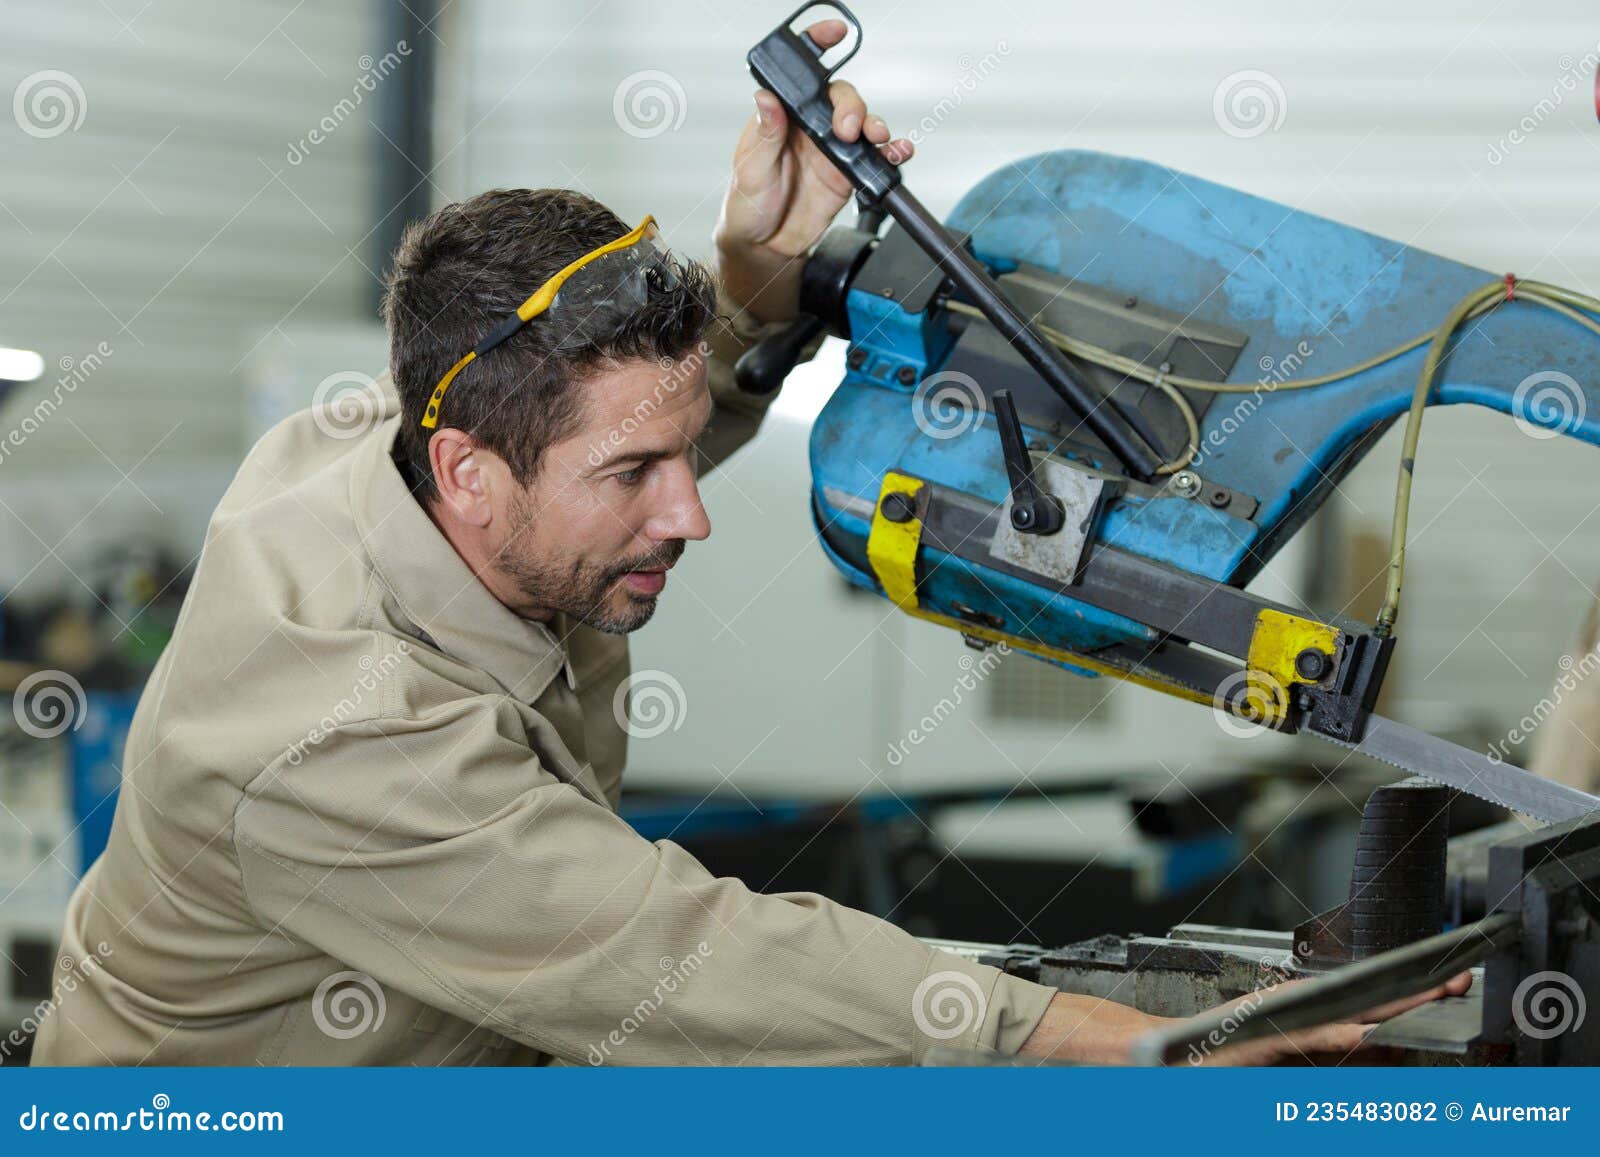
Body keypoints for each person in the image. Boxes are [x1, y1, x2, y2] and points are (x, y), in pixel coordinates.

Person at [33, 21, 1465, 1067]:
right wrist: (1078, 1033)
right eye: (635, 475)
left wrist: (754, 276)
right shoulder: (327, 733)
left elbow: (617, 408)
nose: (693, 509)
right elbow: (665, 951)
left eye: (680, 448)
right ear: (468, 474)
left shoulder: (405, 438)